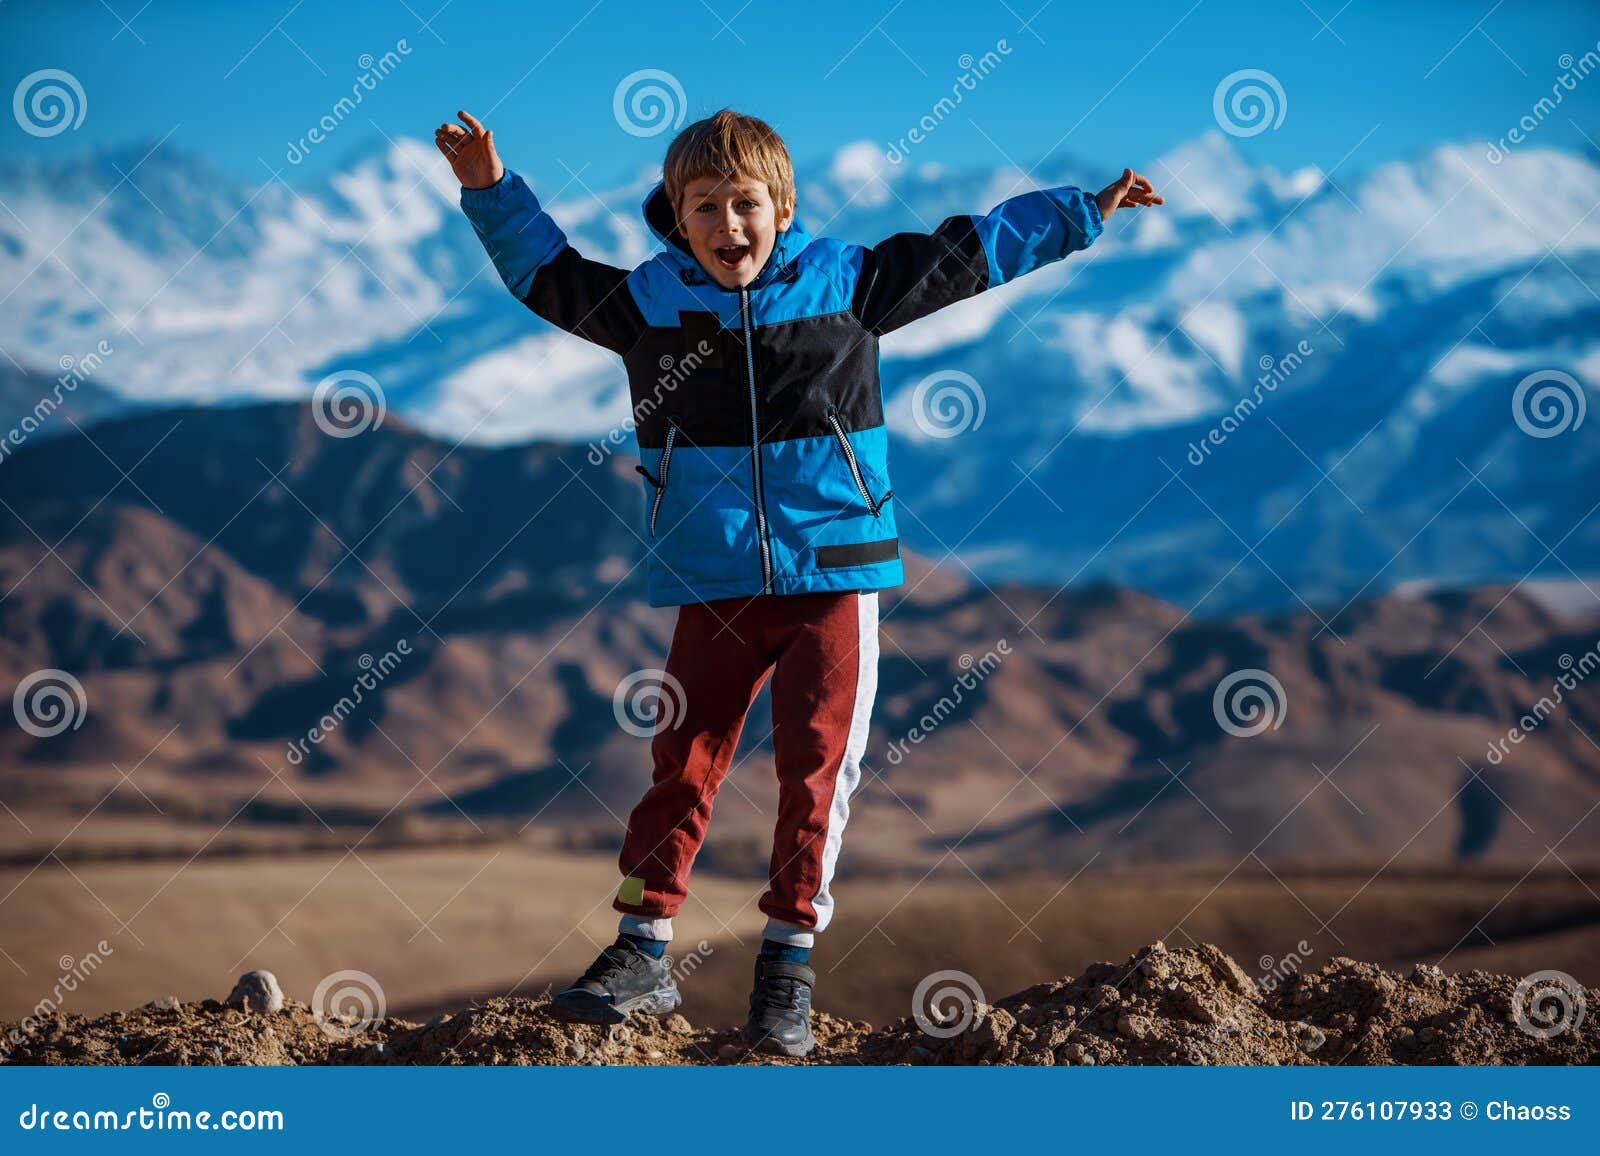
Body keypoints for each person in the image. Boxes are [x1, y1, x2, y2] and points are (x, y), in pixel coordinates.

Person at [436, 106, 1162, 1056]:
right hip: (713, 574)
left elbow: (973, 251)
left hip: (834, 576)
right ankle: (642, 950)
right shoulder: (651, 305)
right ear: (675, 213)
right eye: (705, 208)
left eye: (745, 204)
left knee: (815, 771)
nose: (727, 226)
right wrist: (491, 189)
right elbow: (548, 277)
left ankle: (786, 970)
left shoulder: (849, 283)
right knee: (680, 761)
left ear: (782, 207)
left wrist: (1083, 210)